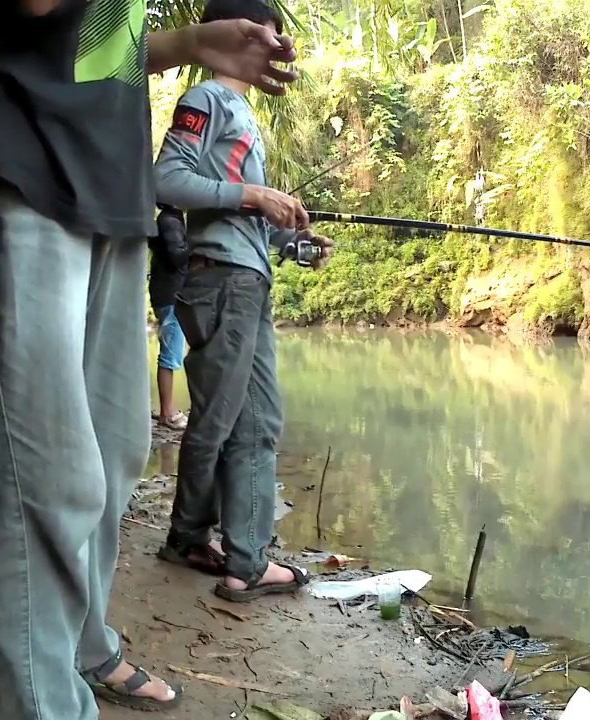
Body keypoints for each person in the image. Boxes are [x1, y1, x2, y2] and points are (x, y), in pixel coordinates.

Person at [0, 2, 300, 718]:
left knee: (117, 451)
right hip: (28, 174)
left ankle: (83, 648)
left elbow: (88, 51)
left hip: (110, 200)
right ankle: (42, 702)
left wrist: (187, 43)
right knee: (45, 476)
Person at [153, 0, 334, 602]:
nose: (276, 51)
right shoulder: (206, 100)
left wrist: (295, 241)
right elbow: (168, 182)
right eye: (268, 38)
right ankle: (206, 545)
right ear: (238, 34)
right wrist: (254, 195)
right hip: (222, 282)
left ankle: (241, 555)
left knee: (256, 420)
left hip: (245, 279)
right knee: (224, 420)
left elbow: (245, 214)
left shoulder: (240, 113)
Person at [149, 204, 190, 430]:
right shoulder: (171, 221)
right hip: (172, 297)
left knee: (170, 353)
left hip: (166, 294)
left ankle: (168, 409)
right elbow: (177, 256)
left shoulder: (170, 220)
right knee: (170, 355)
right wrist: (198, 244)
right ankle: (167, 413)